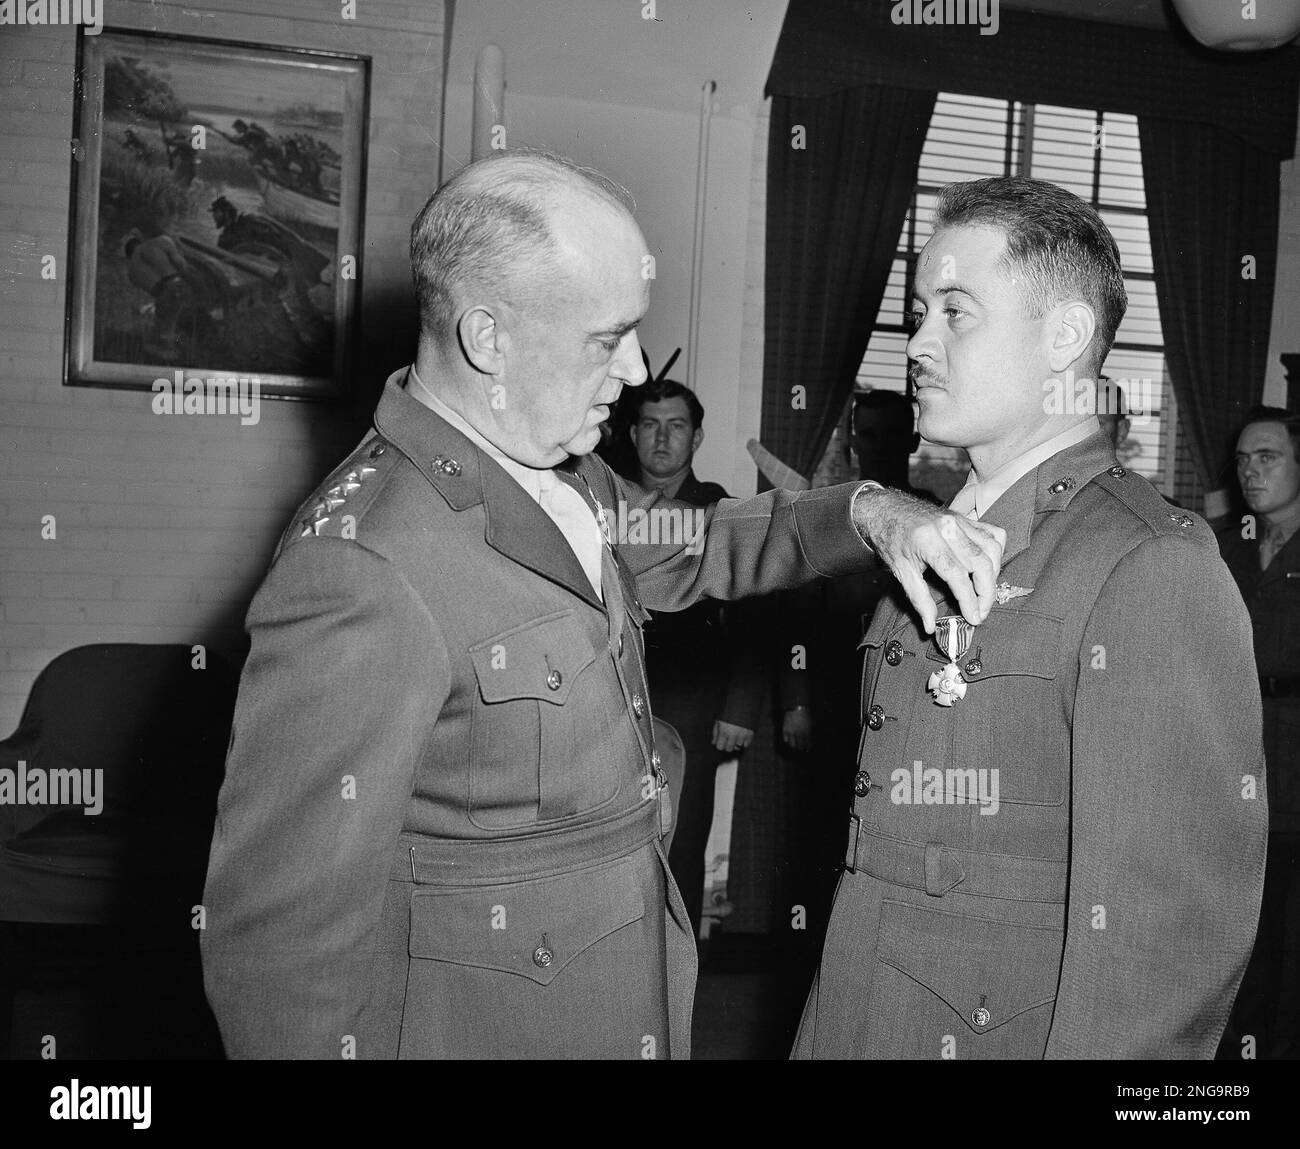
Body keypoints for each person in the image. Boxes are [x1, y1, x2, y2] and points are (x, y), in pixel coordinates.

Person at [199, 149, 1007, 1060]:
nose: (631, 371)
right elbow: (283, 942)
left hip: (624, 988)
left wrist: (869, 512)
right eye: (604, 337)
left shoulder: (563, 473)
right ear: (487, 338)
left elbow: (707, 545)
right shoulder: (363, 565)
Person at [793, 175, 1266, 1059]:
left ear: (1065, 336)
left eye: (955, 311)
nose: (918, 342)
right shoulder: (943, 535)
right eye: (918, 312)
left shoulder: (1148, 561)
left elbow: (1164, 946)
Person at [625, 378, 764, 938]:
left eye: (676, 425)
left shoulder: (720, 510)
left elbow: (757, 615)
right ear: (632, 434)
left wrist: (740, 705)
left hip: (691, 703)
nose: (662, 438)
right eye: (650, 425)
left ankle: (671, 984)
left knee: (677, 842)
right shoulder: (596, 503)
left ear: (697, 436)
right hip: (608, 696)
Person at [1217, 407, 1300, 1060]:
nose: (1252, 471)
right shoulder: (1223, 545)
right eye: (1244, 459)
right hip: (1233, 761)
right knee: (1238, 939)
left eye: (1267, 456)